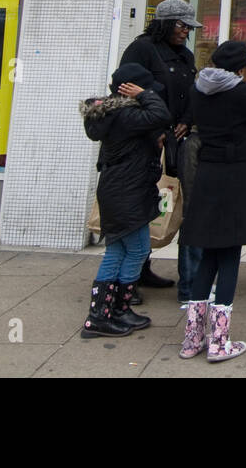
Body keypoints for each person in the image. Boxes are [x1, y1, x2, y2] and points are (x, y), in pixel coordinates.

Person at [177, 41, 246, 363]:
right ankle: (219, 342)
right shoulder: (240, 92)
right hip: (233, 176)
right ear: (243, 68)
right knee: (230, 255)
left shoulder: (199, 89)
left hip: (207, 174)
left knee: (209, 252)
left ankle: (192, 338)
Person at [79, 64, 172, 338]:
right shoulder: (126, 113)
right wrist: (144, 94)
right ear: (130, 89)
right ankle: (102, 315)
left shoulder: (112, 113)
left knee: (118, 250)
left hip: (120, 190)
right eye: (144, 87)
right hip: (126, 192)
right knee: (137, 249)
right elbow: (161, 115)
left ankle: (112, 312)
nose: (151, 92)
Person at [117, 0, 201, 298]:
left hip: (177, 140)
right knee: (140, 205)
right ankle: (130, 275)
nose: (185, 32)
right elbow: (124, 91)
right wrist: (154, 127)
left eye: (189, 28)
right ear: (165, 23)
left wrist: (187, 120)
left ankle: (158, 270)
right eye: (181, 26)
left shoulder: (187, 56)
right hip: (147, 140)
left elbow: (193, 93)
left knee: (167, 202)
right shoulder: (141, 49)